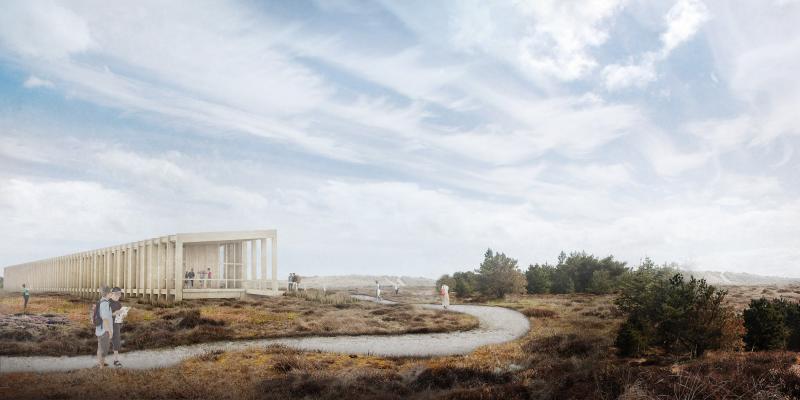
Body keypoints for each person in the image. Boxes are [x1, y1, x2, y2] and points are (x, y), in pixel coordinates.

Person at [94, 286, 114, 368]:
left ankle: (101, 362)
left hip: (99, 329)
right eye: (111, 293)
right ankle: (101, 367)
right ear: (108, 294)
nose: (112, 294)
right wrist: (109, 331)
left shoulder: (100, 301)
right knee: (104, 349)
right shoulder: (105, 304)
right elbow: (105, 319)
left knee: (100, 347)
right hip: (104, 330)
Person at [109, 287, 125, 367]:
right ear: (111, 294)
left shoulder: (119, 303)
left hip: (116, 325)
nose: (117, 297)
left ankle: (116, 360)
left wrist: (123, 314)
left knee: (116, 342)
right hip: (107, 325)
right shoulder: (107, 303)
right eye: (116, 295)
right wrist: (114, 313)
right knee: (104, 342)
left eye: (119, 295)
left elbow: (120, 315)